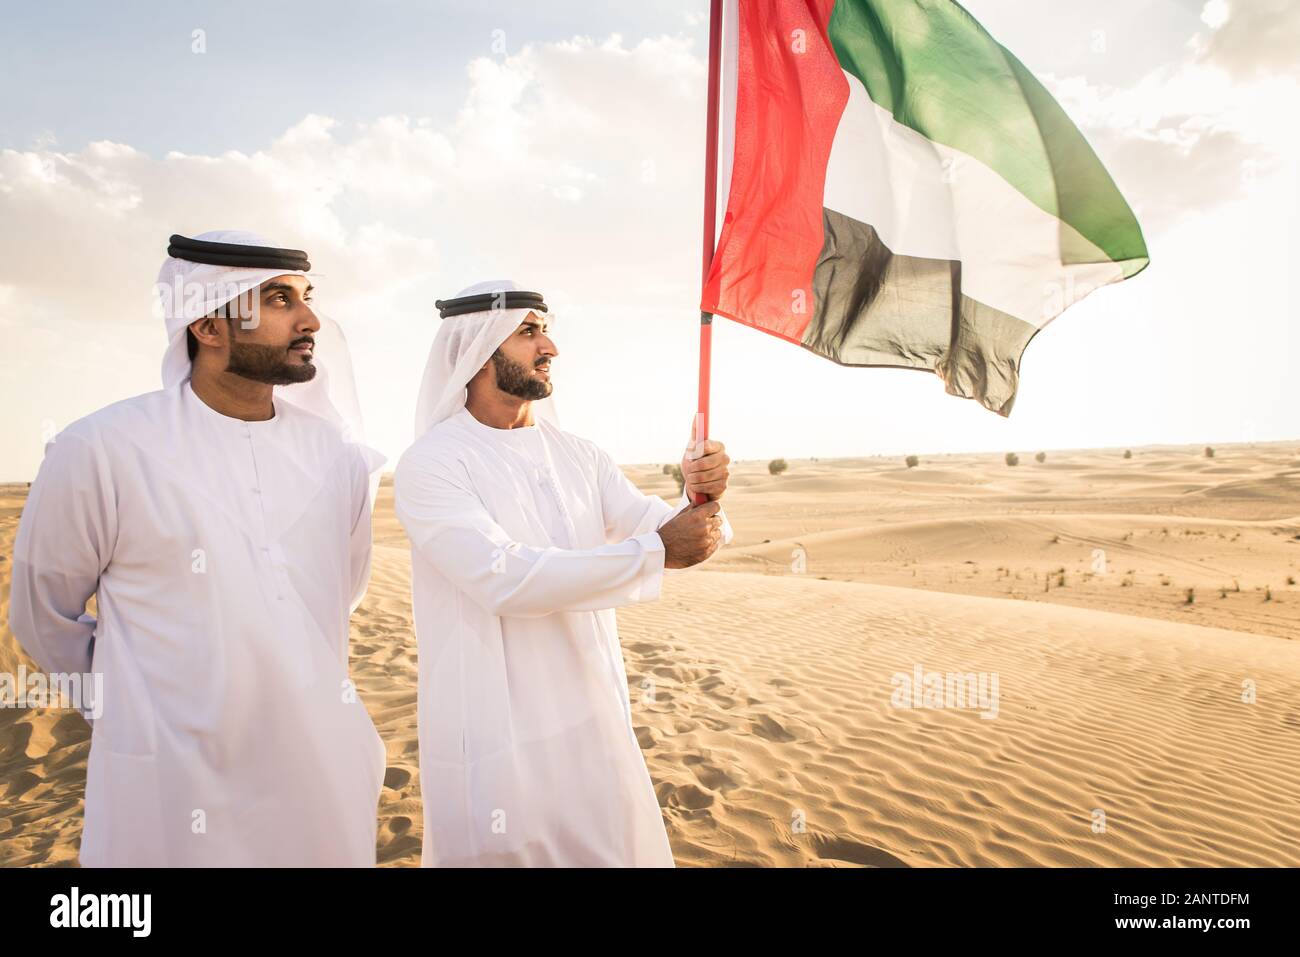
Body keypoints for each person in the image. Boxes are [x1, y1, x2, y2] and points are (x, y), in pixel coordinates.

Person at [8, 230, 386, 866]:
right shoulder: (104, 448)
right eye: (278, 299)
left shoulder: (338, 458)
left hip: (317, 766)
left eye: (307, 296)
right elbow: (44, 614)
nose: (310, 319)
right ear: (208, 327)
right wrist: (139, 706)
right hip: (168, 781)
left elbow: (335, 593)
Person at [394, 279, 733, 867]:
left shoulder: (581, 454)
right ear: (475, 350)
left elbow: (685, 535)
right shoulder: (433, 462)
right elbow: (502, 578)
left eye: (545, 330)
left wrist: (700, 496)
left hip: (592, 718)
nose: (549, 347)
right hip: (496, 725)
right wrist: (657, 549)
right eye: (527, 332)